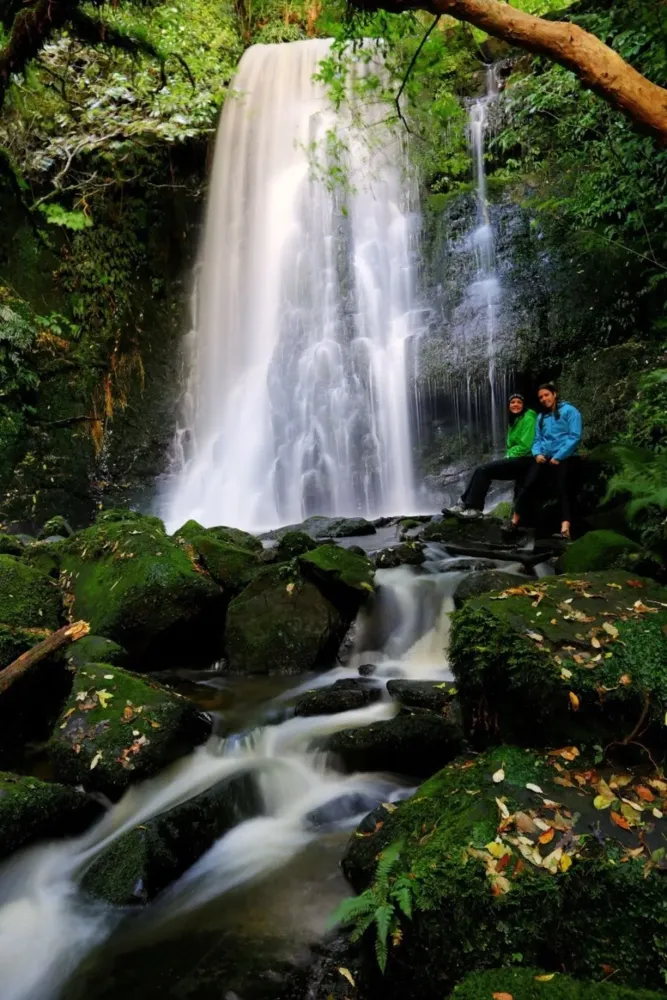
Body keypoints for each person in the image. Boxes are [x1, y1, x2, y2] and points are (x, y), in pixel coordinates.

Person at [507, 382, 582, 540]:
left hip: (565, 456)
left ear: (554, 394)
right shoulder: (541, 417)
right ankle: (514, 522)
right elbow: (537, 439)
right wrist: (537, 454)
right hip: (544, 457)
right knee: (527, 483)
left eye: (546, 395)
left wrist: (559, 456)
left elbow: (574, 436)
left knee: (562, 487)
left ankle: (565, 529)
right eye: (540, 397)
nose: (543, 399)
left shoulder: (570, 411)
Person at [447, 394, 538, 519]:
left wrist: (508, 455)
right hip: (517, 459)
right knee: (480, 470)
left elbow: (526, 445)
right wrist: (510, 454)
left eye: (518, 402)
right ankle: (462, 504)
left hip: (526, 460)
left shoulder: (529, 418)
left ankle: (474, 508)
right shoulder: (515, 419)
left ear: (523, 405)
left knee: (483, 471)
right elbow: (511, 444)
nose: (515, 405)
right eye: (512, 402)